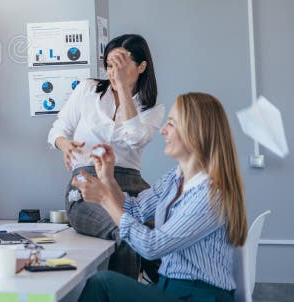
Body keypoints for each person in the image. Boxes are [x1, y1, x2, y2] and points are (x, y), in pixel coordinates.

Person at [74, 92, 248, 301]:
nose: (163, 130)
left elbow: (152, 246)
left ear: (196, 132)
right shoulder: (175, 179)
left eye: (171, 124)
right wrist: (108, 178)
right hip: (169, 290)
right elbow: (136, 210)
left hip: (199, 296)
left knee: (103, 284)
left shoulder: (210, 195)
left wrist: (104, 199)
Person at [47, 34, 164, 278]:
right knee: (126, 235)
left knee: (163, 242)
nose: (113, 73)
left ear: (142, 67)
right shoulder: (88, 89)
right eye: (110, 66)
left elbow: (136, 138)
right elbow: (58, 129)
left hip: (133, 191)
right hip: (86, 188)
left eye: (120, 66)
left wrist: (122, 88)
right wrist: (64, 144)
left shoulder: (151, 108)